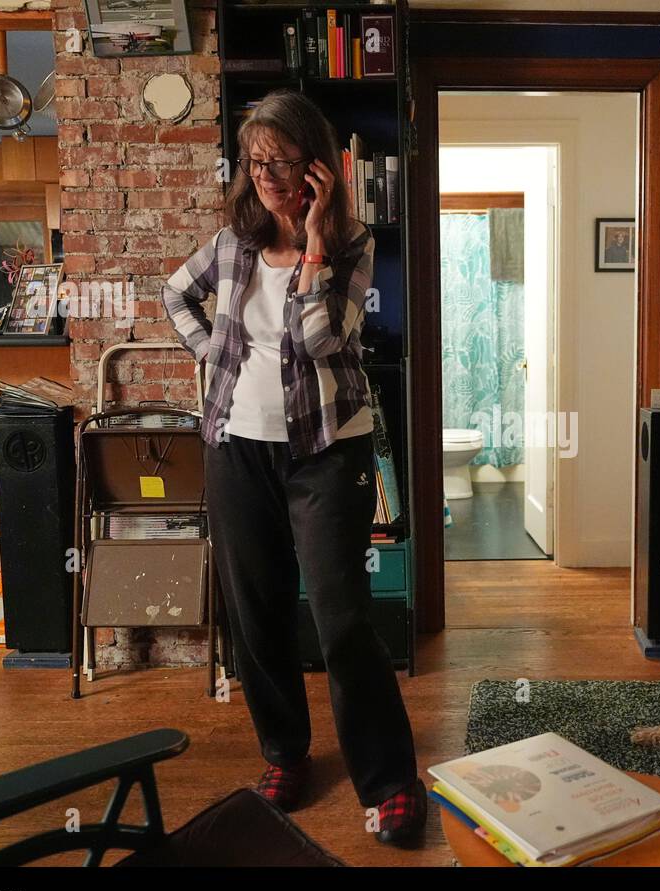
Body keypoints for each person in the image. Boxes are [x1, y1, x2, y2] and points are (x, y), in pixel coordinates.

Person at [162, 89, 425, 845]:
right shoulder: (229, 244)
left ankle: (387, 779)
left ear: (317, 162)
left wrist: (311, 239)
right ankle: (285, 752)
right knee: (258, 612)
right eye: (256, 162)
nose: (269, 175)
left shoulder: (352, 243)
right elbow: (176, 294)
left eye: (282, 159)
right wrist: (214, 350)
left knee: (342, 620)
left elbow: (317, 338)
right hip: (235, 447)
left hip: (326, 451)